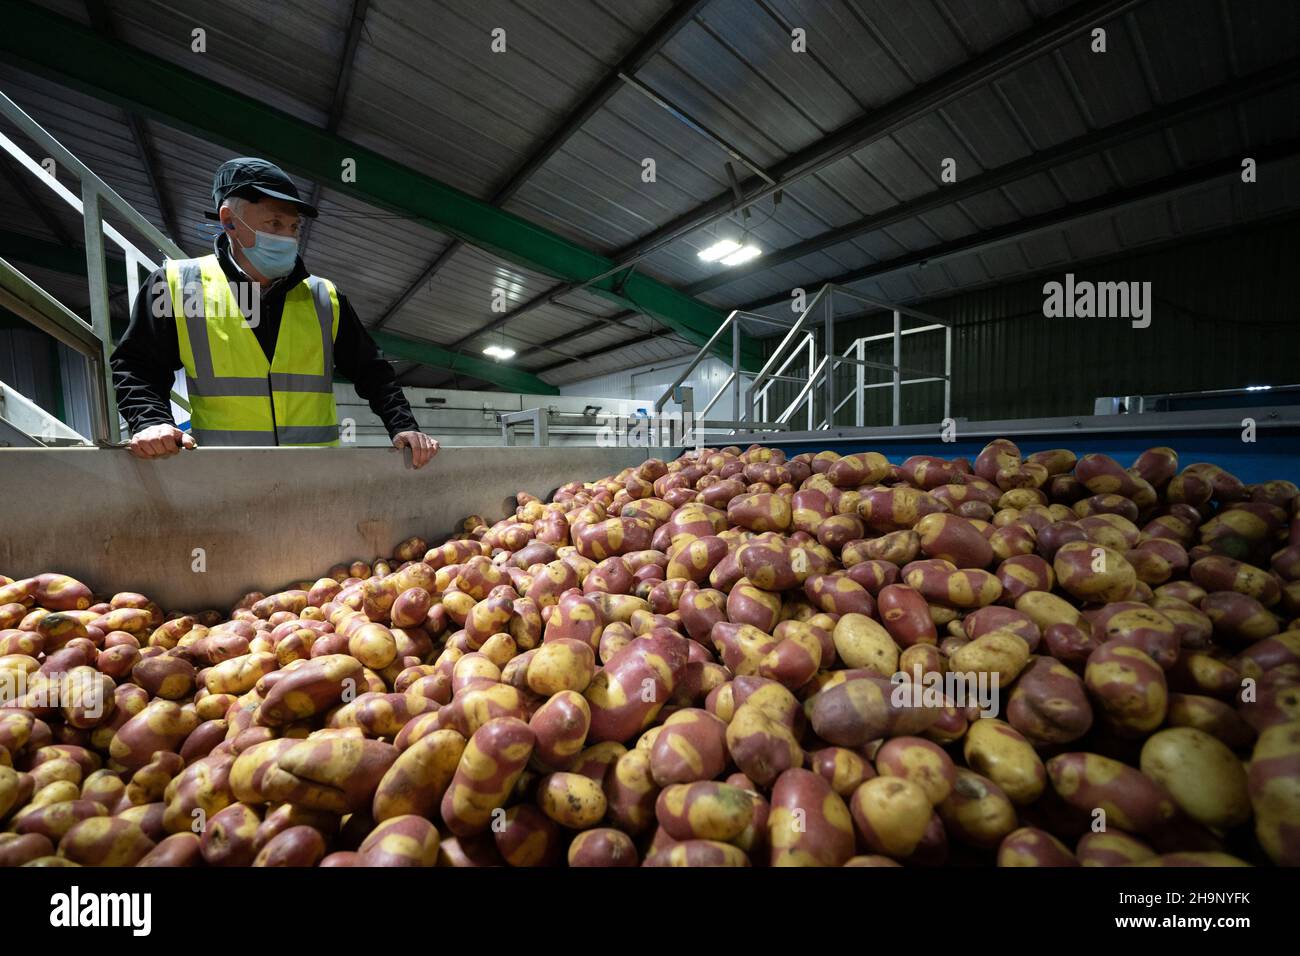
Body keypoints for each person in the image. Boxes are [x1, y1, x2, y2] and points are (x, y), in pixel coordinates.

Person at [110, 157, 439, 467]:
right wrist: (152, 421)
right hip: (227, 476)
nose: (287, 237)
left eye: (293, 227)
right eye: (274, 223)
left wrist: (403, 426)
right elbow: (137, 365)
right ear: (229, 222)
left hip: (315, 476)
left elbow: (372, 370)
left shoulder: (324, 298)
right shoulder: (179, 285)